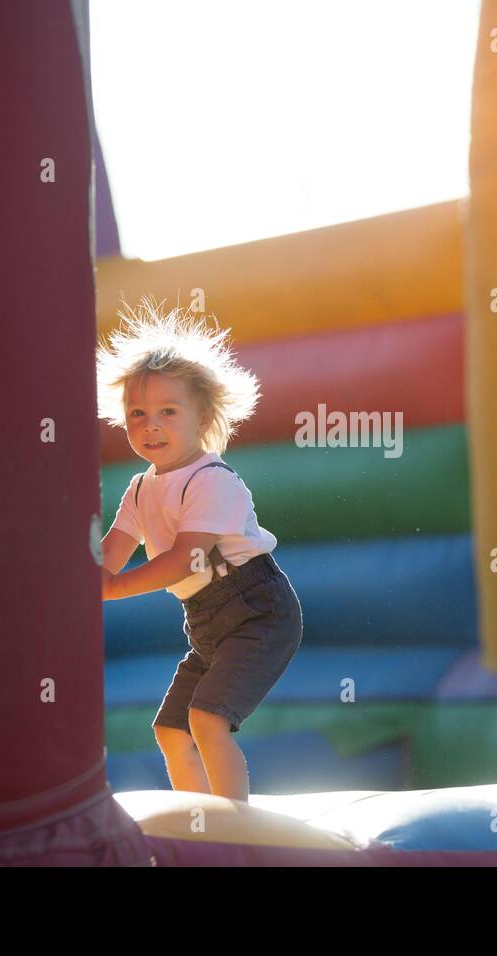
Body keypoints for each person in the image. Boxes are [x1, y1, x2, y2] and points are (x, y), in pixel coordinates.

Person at [95, 297, 302, 803]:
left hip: (258, 612)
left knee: (208, 718)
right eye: (137, 413)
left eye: (168, 411)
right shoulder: (141, 489)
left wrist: (114, 588)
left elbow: (187, 558)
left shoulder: (212, 481)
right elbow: (109, 556)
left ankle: (233, 829)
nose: (151, 425)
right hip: (206, 621)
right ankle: (201, 826)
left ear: (202, 414)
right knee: (171, 731)